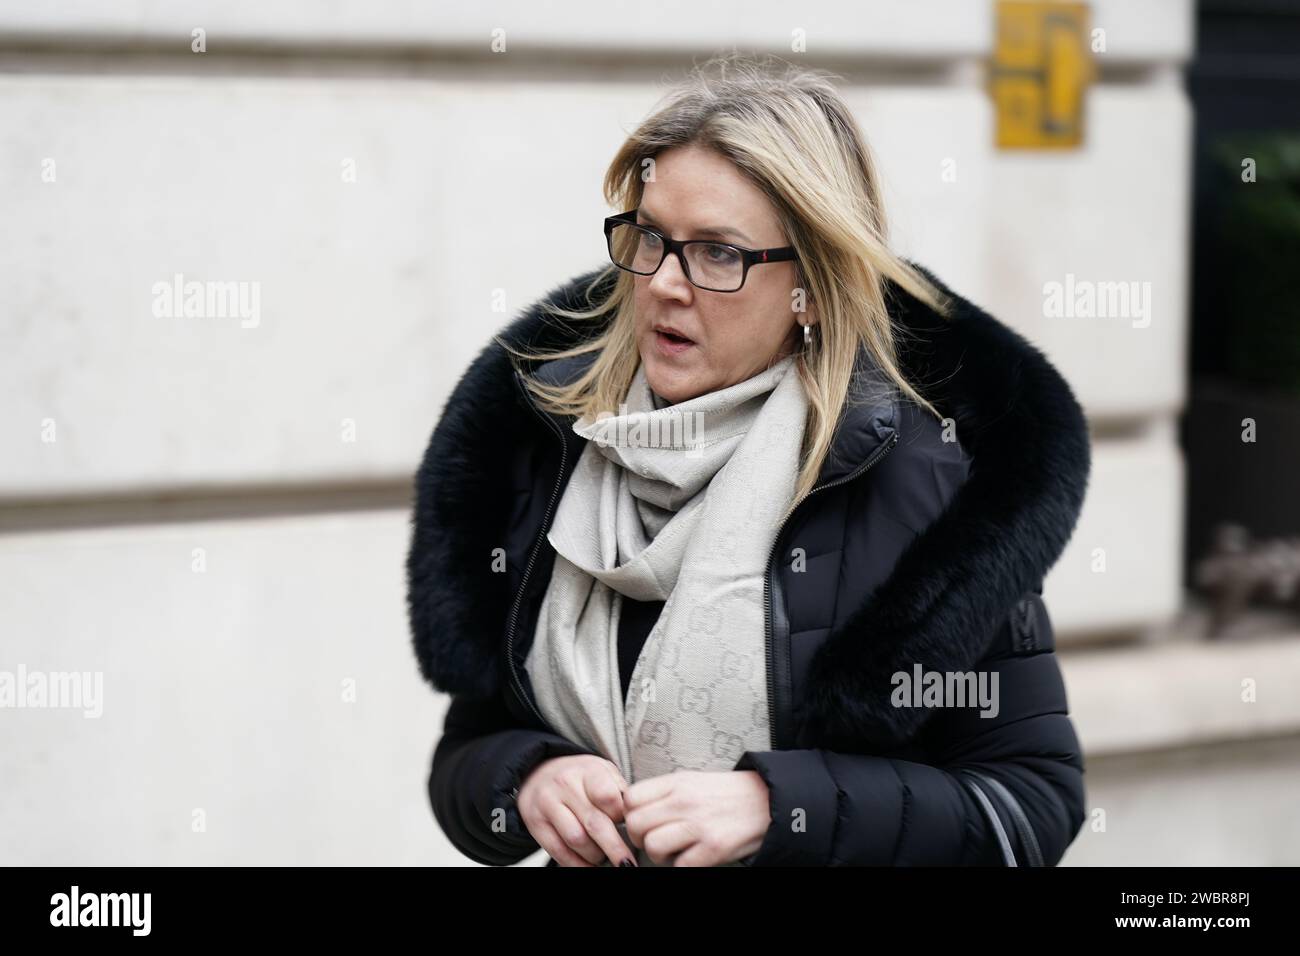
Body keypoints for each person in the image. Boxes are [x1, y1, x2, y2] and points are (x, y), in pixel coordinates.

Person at [406, 53, 1090, 867]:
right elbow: (467, 754)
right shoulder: (551, 446)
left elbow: (1030, 808)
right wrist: (525, 780)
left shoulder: (929, 482)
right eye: (650, 237)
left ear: (811, 284)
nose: (663, 283)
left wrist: (784, 807)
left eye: (718, 254)